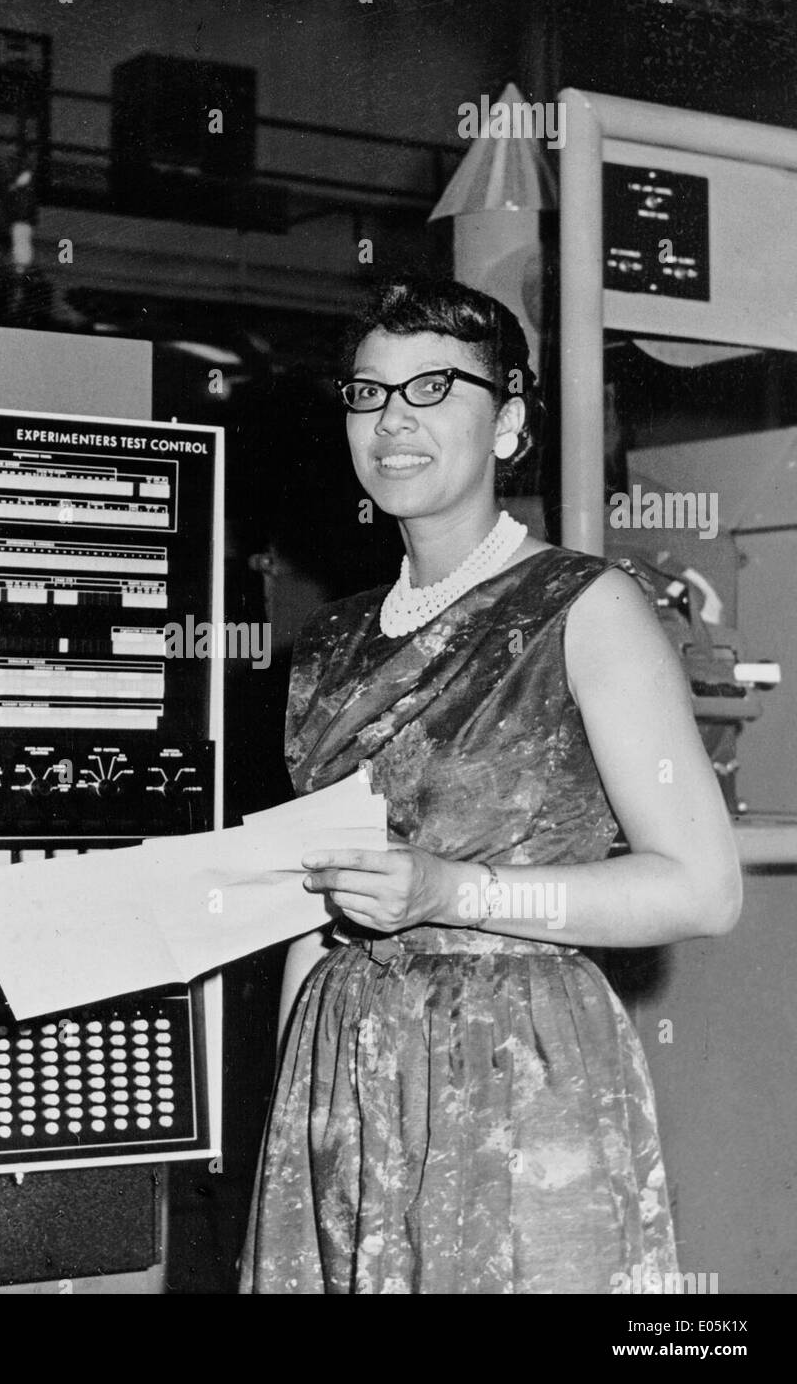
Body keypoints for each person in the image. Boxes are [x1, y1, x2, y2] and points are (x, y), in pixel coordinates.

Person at [238, 277, 742, 1295]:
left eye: (432, 389)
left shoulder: (584, 607)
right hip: (345, 1069)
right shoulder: (328, 641)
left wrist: (452, 892)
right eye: (367, 392)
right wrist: (289, 1120)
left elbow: (702, 888)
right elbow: (317, 912)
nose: (391, 421)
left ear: (507, 420)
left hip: (520, 1070)